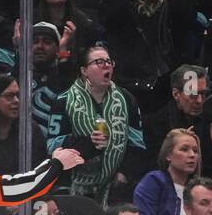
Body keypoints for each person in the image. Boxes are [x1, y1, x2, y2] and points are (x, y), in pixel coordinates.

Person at [44, 44, 144, 202]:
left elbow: (137, 143)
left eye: (109, 61)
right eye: (99, 62)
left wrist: (124, 173)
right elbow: (53, 145)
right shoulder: (63, 101)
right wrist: (88, 143)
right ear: (84, 71)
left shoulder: (127, 99)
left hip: (116, 187)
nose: (107, 65)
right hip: (72, 186)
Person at [134, 128, 202, 215]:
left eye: (195, 151)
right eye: (184, 149)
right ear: (168, 155)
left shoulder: (198, 189)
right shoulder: (154, 181)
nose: (192, 155)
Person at [0, 75, 47, 175]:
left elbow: (39, 167)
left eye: (18, 95)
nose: (16, 101)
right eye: (9, 96)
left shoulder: (30, 130)